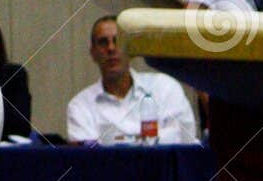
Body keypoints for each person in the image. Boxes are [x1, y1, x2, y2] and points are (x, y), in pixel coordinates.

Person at [67, 15, 196, 145]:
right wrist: (148, 140)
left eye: (118, 40)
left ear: (131, 49)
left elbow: (185, 139)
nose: (111, 48)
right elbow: (87, 160)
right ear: (93, 53)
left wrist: (119, 142)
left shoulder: (165, 88)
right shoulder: (80, 106)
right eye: (103, 42)